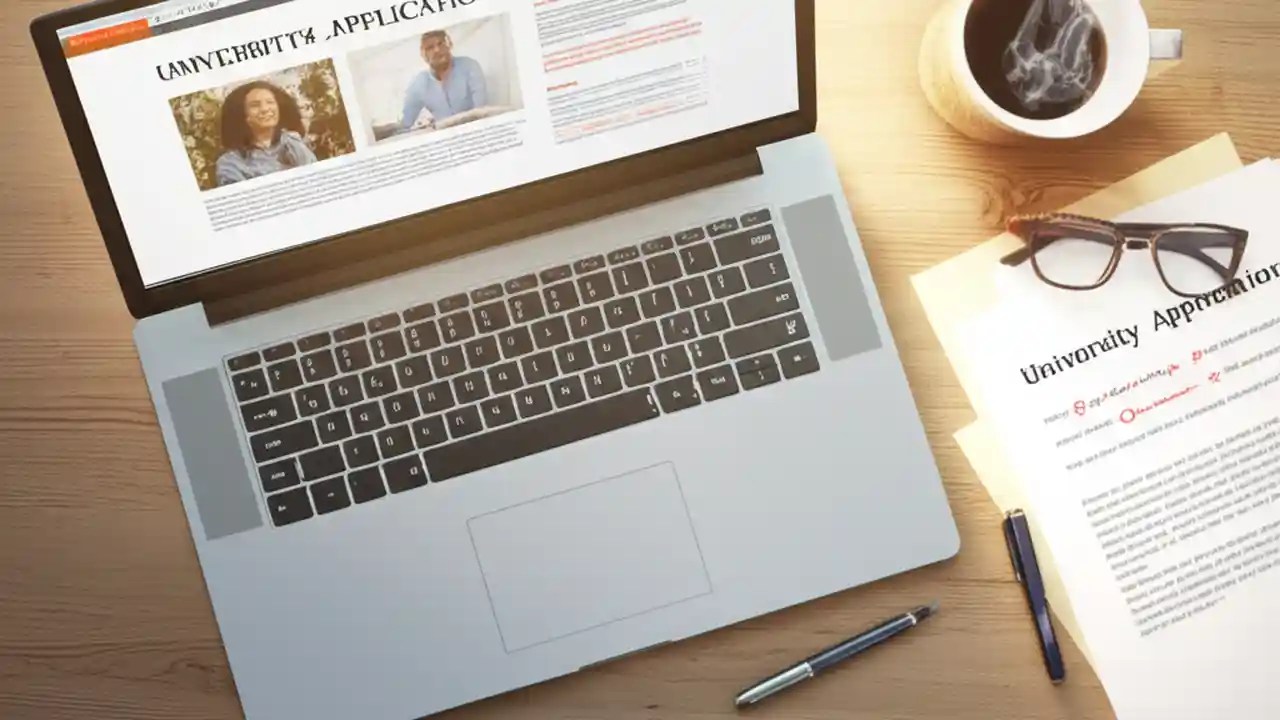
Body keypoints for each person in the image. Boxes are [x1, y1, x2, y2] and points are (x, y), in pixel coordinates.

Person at [216, 80, 317, 187]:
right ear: (242, 114)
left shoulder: (294, 142)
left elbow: (316, 178)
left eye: (270, 102)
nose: (265, 109)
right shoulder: (231, 163)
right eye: (255, 105)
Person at [400, 30, 488, 130]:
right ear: (423, 55)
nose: (437, 50)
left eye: (440, 43)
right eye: (430, 48)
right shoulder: (419, 83)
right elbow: (405, 123)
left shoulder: (470, 67)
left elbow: (481, 111)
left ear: (449, 44)